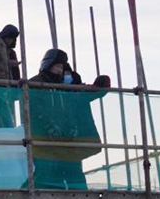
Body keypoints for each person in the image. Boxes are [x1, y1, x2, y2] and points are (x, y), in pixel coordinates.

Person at [28, 48, 110, 190]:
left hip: (67, 140)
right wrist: (49, 126)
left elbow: (85, 95)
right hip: (44, 141)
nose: (60, 70)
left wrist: (100, 87)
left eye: (62, 67)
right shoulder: (36, 83)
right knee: (45, 174)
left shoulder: (67, 87)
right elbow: (33, 107)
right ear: (48, 64)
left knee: (74, 174)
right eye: (57, 66)